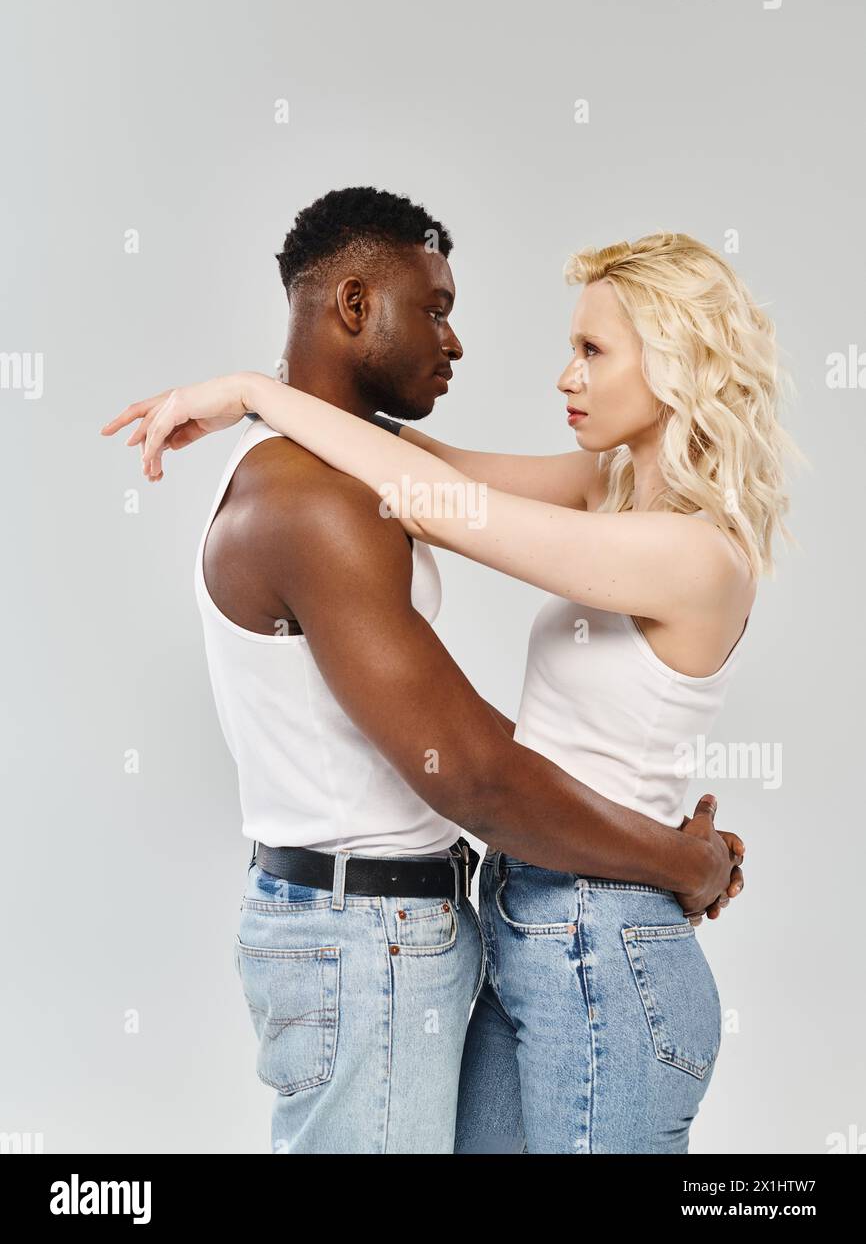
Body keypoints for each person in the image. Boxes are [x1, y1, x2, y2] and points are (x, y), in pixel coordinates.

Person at [101, 192, 748, 1153]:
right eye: (437, 310)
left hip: (591, 932)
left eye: (594, 352)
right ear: (355, 305)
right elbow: (426, 477)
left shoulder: (690, 552)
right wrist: (681, 860)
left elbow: (431, 495)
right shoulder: (593, 489)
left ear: (678, 364)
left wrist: (256, 394)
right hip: (503, 918)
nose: (464, 346)